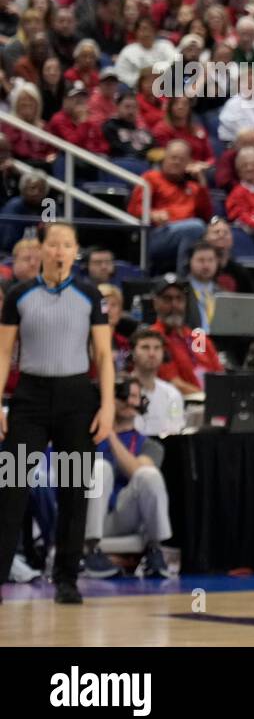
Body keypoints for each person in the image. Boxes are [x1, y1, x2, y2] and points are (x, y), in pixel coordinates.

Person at [0, 222, 115, 605]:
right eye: (54, 244)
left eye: (67, 244)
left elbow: (102, 355)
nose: (60, 250)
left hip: (76, 398)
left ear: (75, 251)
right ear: (42, 250)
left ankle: (67, 578)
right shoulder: (18, 294)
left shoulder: (88, 295)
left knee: (73, 491)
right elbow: (2, 353)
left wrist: (109, 405)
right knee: (11, 487)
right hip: (30, 398)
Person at [83, 376, 172, 578]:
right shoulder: (87, 438)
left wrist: (111, 434)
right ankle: (91, 550)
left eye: (135, 397)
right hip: (87, 515)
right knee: (99, 467)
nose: (130, 401)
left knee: (148, 475)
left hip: (122, 516)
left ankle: (155, 549)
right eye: (123, 395)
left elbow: (136, 471)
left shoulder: (150, 445)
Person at [128, 140, 214, 272]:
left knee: (215, 235)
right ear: (164, 159)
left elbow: (206, 216)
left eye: (181, 159)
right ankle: (185, 278)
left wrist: (201, 180)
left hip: (187, 233)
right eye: (173, 158)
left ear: (188, 163)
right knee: (195, 227)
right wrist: (151, 214)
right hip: (157, 234)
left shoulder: (193, 187)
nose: (176, 162)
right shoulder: (151, 178)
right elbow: (133, 209)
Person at [127, 327, 186, 437]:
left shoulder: (172, 394)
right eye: (145, 347)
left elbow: (176, 431)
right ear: (132, 353)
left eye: (157, 348)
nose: (152, 353)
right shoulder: (121, 392)